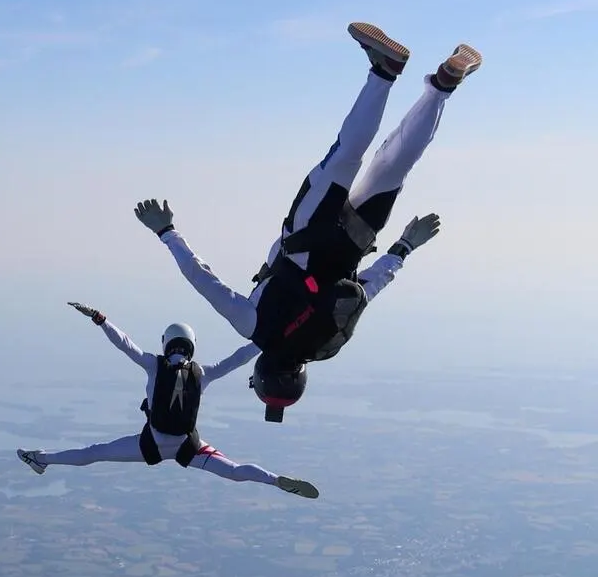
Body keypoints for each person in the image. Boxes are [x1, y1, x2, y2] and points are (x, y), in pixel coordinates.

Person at [134, 22, 481, 422]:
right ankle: (385, 71)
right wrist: (167, 232)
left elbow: (370, 286)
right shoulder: (255, 328)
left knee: (393, 166)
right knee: (347, 154)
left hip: (355, 242)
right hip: (305, 235)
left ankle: (443, 85)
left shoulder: (329, 343)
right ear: (261, 372)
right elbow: (202, 279)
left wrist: (404, 247)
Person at [15, 302, 319, 498]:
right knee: (235, 472)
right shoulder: (203, 373)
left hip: (151, 444)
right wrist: (275, 336)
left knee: (93, 453)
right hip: (191, 447)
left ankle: (41, 458)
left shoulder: (153, 364)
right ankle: (273, 479)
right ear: (192, 346)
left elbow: (125, 344)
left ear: (166, 343)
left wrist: (100, 319)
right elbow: (240, 357)